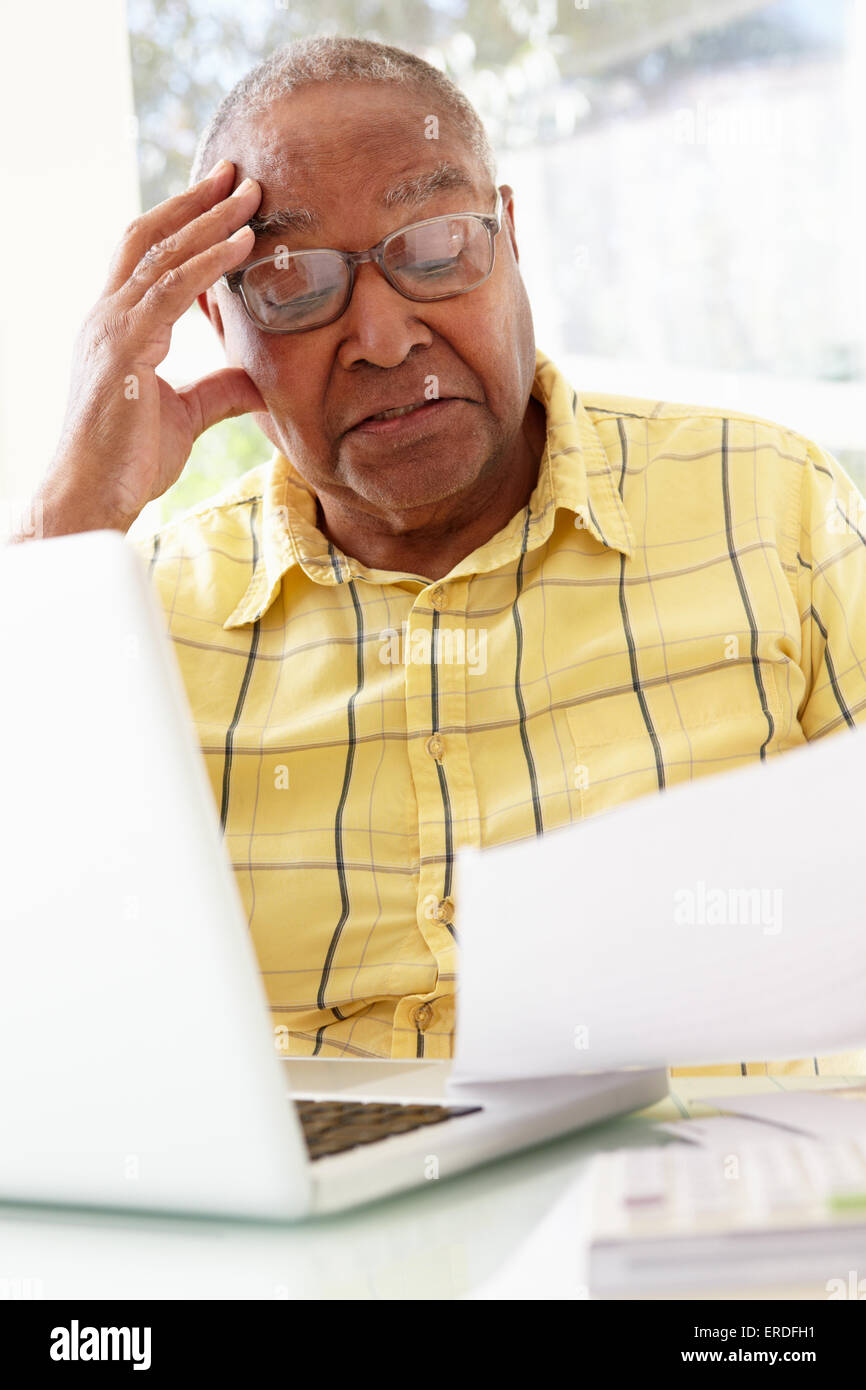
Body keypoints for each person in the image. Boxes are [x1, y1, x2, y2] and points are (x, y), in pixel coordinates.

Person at [17, 36, 866, 1073]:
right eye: (289, 280)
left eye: (432, 246)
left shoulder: (771, 505)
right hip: (308, 1223)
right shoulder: (128, 610)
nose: (381, 335)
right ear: (216, 319)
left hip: (702, 1202)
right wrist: (73, 508)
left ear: (507, 237)